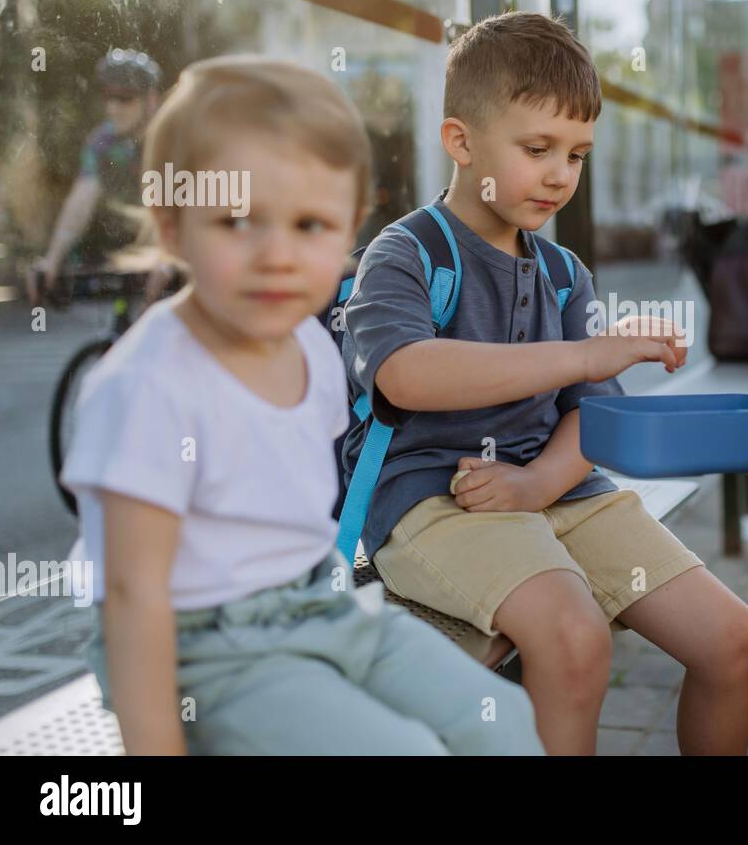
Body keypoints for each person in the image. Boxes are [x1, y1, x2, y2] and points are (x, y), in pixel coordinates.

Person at [61, 56, 545, 755]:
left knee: (501, 721)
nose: (277, 255)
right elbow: (134, 602)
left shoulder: (313, 348)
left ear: (350, 230)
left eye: (311, 225)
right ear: (171, 227)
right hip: (209, 647)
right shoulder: (149, 385)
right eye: (237, 221)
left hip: (323, 603)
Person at [342, 12, 748, 755]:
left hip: (556, 490)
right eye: (537, 149)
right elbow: (406, 375)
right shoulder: (405, 252)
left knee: (729, 635)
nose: (561, 174)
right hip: (435, 497)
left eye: (577, 154)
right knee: (573, 636)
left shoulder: (565, 273)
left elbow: (591, 419)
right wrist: (583, 356)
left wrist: (536, 484)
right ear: (461, 142)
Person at [28, 49, 167, 303]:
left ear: (151, 100)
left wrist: (170, 259)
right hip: (131, 250)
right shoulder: (103, 142)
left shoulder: (172, 137)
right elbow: (81, 199)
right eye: (109, 97)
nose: (113, 108)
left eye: (125, 98)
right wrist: (52, 259)